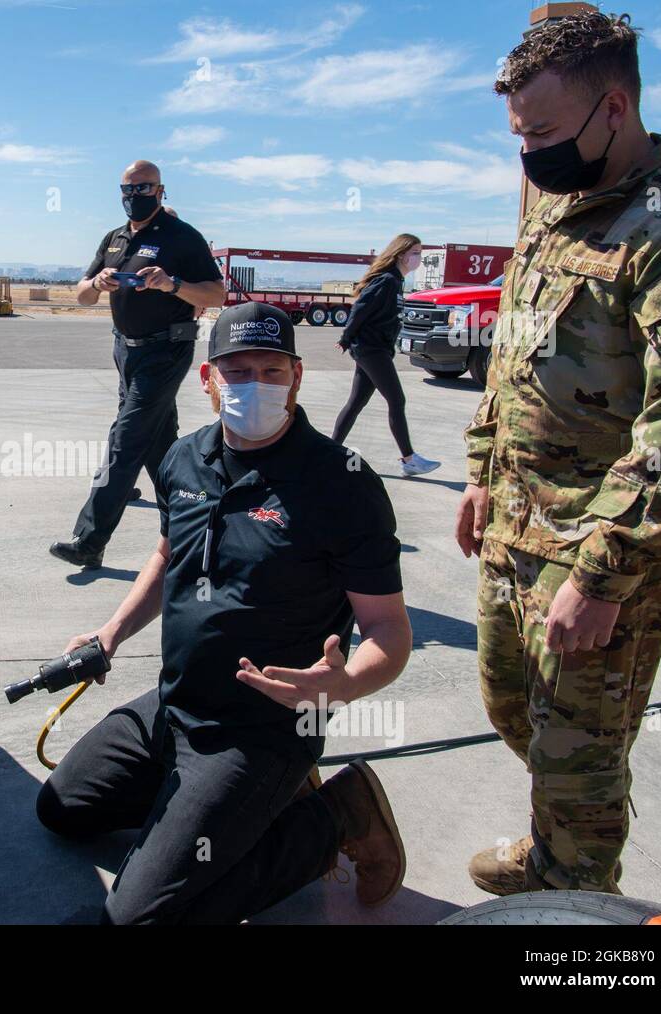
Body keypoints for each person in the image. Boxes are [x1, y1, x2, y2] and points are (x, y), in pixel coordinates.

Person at [37, 302, 412, 923]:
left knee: (139, 919)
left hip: (262, 730)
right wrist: (111, 633)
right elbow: (169, 554)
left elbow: (388, 631)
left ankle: (332, 818)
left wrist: (342, 684)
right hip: (175, 705)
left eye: (271, 371)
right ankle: (228, 813)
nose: (256, 385)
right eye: (238, 371)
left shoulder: (341, 485)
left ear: (296, 376)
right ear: (208, 380)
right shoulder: (183, 459)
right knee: (62, 811)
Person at [454, 10, 661, 895]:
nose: (530, 153)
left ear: (615, 106)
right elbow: (513, 346)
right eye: (519, 135)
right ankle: (554, 843)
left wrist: (606, 571)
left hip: (603, 550)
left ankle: (577, 912)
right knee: (514, 710)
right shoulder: (556, 209)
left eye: (546, 132)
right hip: (514, 524)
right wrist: (483, 469)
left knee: (581, 761)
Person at [49, 160, 225, 569]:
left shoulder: (183, 237)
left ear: (161, 191)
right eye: (127, 190)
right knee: (158, 446)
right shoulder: (114, 239)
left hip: (165, 351)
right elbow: (81, 296)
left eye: (144, 189)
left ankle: (90, 540)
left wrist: (172, 284)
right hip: (125, 353)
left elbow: (216, 294)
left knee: (125, 441)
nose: (135, 197)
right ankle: (193, 528)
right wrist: (97, 283)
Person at [331, 233, 441, 476]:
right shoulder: (388, 281)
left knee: (355, 403)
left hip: (375, 349)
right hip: (371, 350)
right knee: (397, 400)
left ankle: (329, 453)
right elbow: (360, 308)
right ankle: (409, 459)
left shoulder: (396, 281)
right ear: (401, 254)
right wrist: (346, 338)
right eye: (415, 253)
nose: (419, 258)